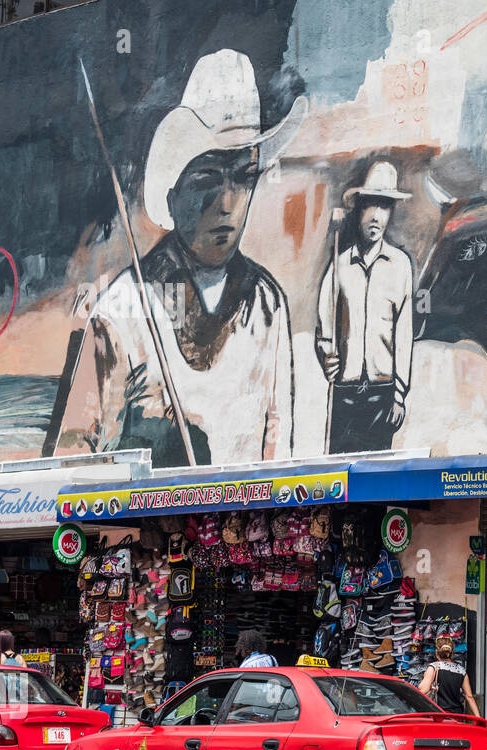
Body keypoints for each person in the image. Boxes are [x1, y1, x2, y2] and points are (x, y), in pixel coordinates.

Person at [57, 49, 304, 467]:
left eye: (244, 178)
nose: (227, 203)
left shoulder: (267, 302)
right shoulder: (124, 308)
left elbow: (279, 440)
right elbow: (75, 452)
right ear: (174, 194)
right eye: (207, 179)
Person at [316, 161, 415, 453]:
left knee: (377, 474)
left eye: (384, 207)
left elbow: (404, 334)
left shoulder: (400, 266)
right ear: (359, 210)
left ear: (391, 213)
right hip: (343, 393)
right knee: (340, 479)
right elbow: (324, 326)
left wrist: (399, 394)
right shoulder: (339, 264)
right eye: (370, 206)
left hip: (382, 393)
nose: (376, 217)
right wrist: (326, 356)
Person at [419, 636, 481, 717]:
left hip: (439, 716)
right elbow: (469, 697)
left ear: (437, 652)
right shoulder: (461, 671)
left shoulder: (434, 667)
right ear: (452, 653)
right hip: (457, 716)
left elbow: (423, 690)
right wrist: (478, 717)